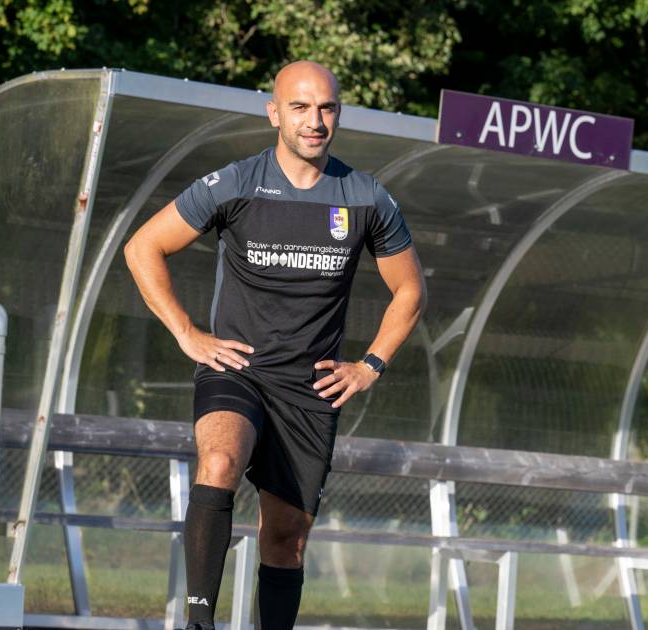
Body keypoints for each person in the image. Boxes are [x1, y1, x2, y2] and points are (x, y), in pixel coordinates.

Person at [123, 60, 426, 630]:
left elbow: (409, 291)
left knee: (285, 540)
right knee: (218, 461)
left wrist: (369, 366)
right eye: (300, 107)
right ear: (274, 114)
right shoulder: (235, 182)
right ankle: (198, 622)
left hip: (310, 389)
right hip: (235, 368)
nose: (315, 121)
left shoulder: (366, 198)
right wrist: (188, 333)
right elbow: (143, 248)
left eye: (327, 108)